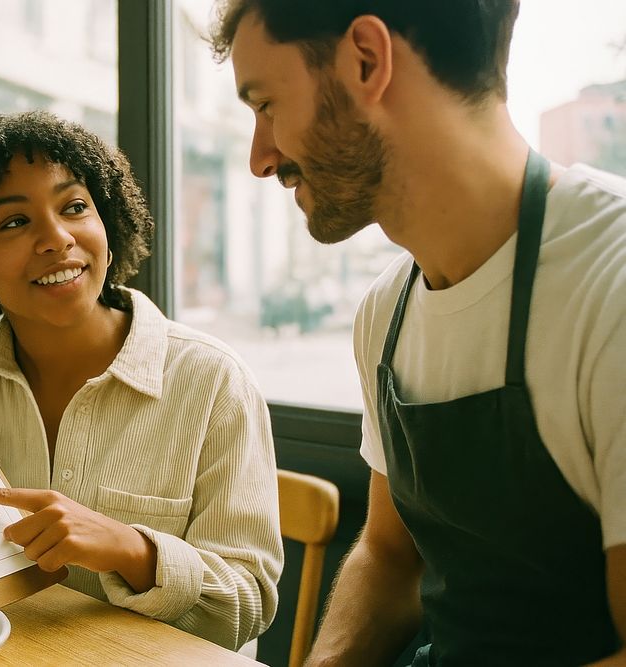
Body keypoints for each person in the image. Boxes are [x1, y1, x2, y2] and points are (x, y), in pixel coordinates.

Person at [209, 1, 626, 665]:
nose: (261, 159)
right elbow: (390, 556)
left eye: (266, 105)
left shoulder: (612, 282)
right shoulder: (387, 310)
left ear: (366, 60)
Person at [0, 110, 283, 654]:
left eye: (75, 207)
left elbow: (248, 607)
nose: (57, 238)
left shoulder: (213, 381)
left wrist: (130, 549)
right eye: (14, 222)